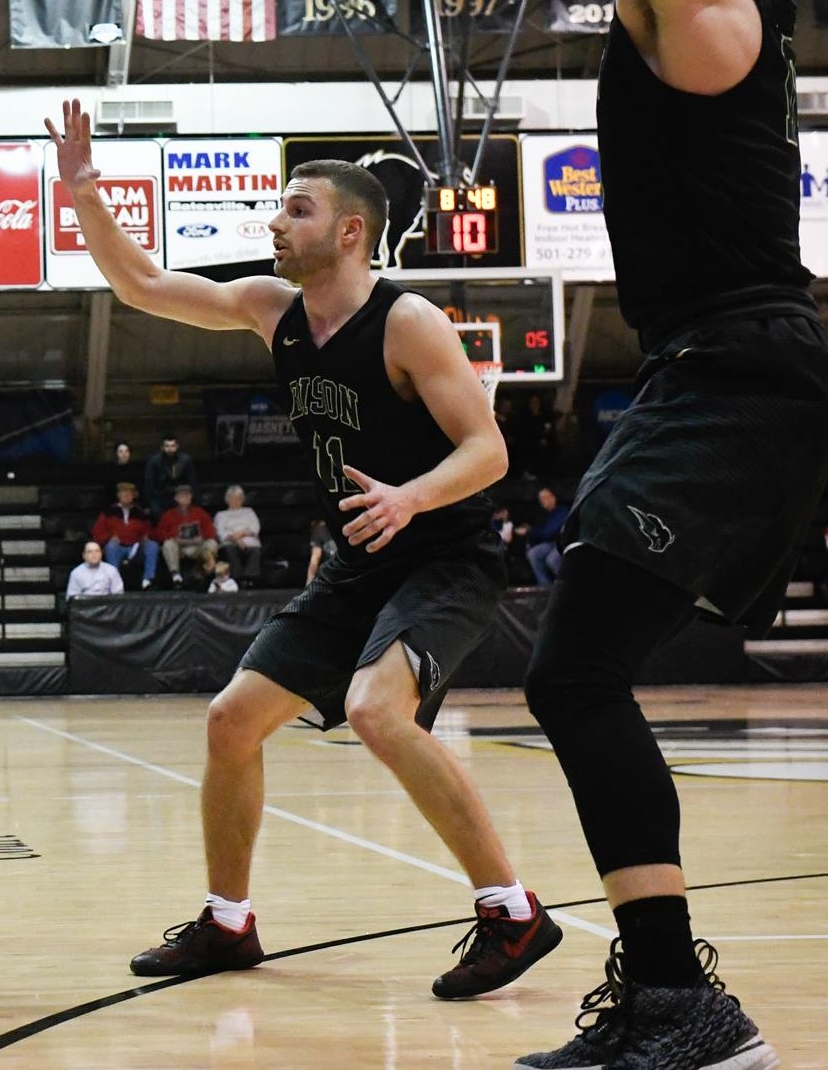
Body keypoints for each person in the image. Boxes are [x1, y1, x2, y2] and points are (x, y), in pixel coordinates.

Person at [48, 104, 559, 1001]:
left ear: (350, 230)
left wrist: (409, 496)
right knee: (230, 721)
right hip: (363, 559)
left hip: (444, 554)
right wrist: (84, 188)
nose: (274, 223)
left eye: (295, 209)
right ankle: (228, 923)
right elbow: (140, 285)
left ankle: (512, 910)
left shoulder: (409, 324)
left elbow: (490, 452)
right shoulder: (268, 306)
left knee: (375, 711)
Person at [517, 0, 828, 1062]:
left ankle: (681, 1003)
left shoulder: (706, 6)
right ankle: (663, 996)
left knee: (574, 675)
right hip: (717, 364)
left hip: (736, 367)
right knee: (576, 676)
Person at [93, 483, 158, 589]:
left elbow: (150, 531)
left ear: (134, 496)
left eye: (129, 493)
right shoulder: (108, 512)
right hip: (118, 547)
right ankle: (114, 580)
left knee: (152, 545)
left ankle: (148, 579)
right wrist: (110, 537)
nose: (127, 495)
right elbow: (97, 532)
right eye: (124, 493)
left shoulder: (140, 513)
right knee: (111, 546)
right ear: (118, 495)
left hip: (136, 548)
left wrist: (146, 536)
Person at [154, 484, 218, 589]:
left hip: (197, 545)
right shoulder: (169, 514)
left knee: (212, 543)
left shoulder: (200, 512)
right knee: (168, 544)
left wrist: (202, 537)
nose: (186, 498)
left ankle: (205, 572)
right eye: (182, 496)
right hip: (179, 547)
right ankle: (176, 576)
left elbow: (211, 530)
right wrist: (174, 538)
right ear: (176, 498)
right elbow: (159, 533)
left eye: (188, 495)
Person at [518, 487, 569, 588]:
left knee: (552, 560)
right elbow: (540, 531)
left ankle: (568, 586)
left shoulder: (562, 512)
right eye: (540, 499)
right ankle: (545, 586)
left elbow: (547, 532)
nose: (542, 501)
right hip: (551, 544)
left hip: (563, 543)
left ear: (553, 498)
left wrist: (528, 531)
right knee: (533, 553)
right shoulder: (544, 514)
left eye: (545, 497)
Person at [214, 485, 264, 586]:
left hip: (249, 541)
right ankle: (237, 579)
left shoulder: (249, 512)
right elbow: (221, 532)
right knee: (230, 550)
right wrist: (236, 540)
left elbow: (255, 528)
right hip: (229, 542)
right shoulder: (221, 515)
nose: (236, 501)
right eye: (233, 498)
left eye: (239, 498)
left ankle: (250, 579)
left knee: (255, 551)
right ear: (227, 500)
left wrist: (241, 534)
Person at [143, 435, 198, 515]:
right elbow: (149, 484)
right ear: (162, 447)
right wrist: (147, 504)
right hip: (160, 495)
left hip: (180, 494)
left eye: (172, 446)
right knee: (156, 511)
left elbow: (193, 481)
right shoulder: (154, 461)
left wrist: (196, 501)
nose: (169, 449)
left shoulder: (185, 460)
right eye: (167, 446)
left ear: (177, 446)